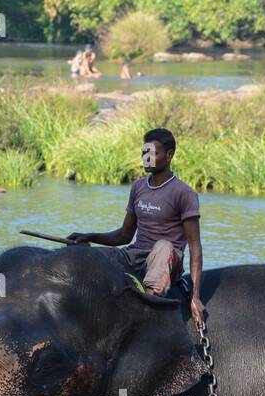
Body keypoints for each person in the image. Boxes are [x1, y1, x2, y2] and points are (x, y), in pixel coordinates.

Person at [67, 127, 205, 324]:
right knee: (90, 259)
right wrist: (89, 237)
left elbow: (195, 246)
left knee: (163, 246)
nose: (146, 158)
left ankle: (146, 310)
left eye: (152, 153)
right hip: (136, 255)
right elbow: (124, 235)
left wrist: (195, 296)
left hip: (167, 259)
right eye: (144, 153)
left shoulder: (184, 193)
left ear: (169, 155)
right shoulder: (138, 187)